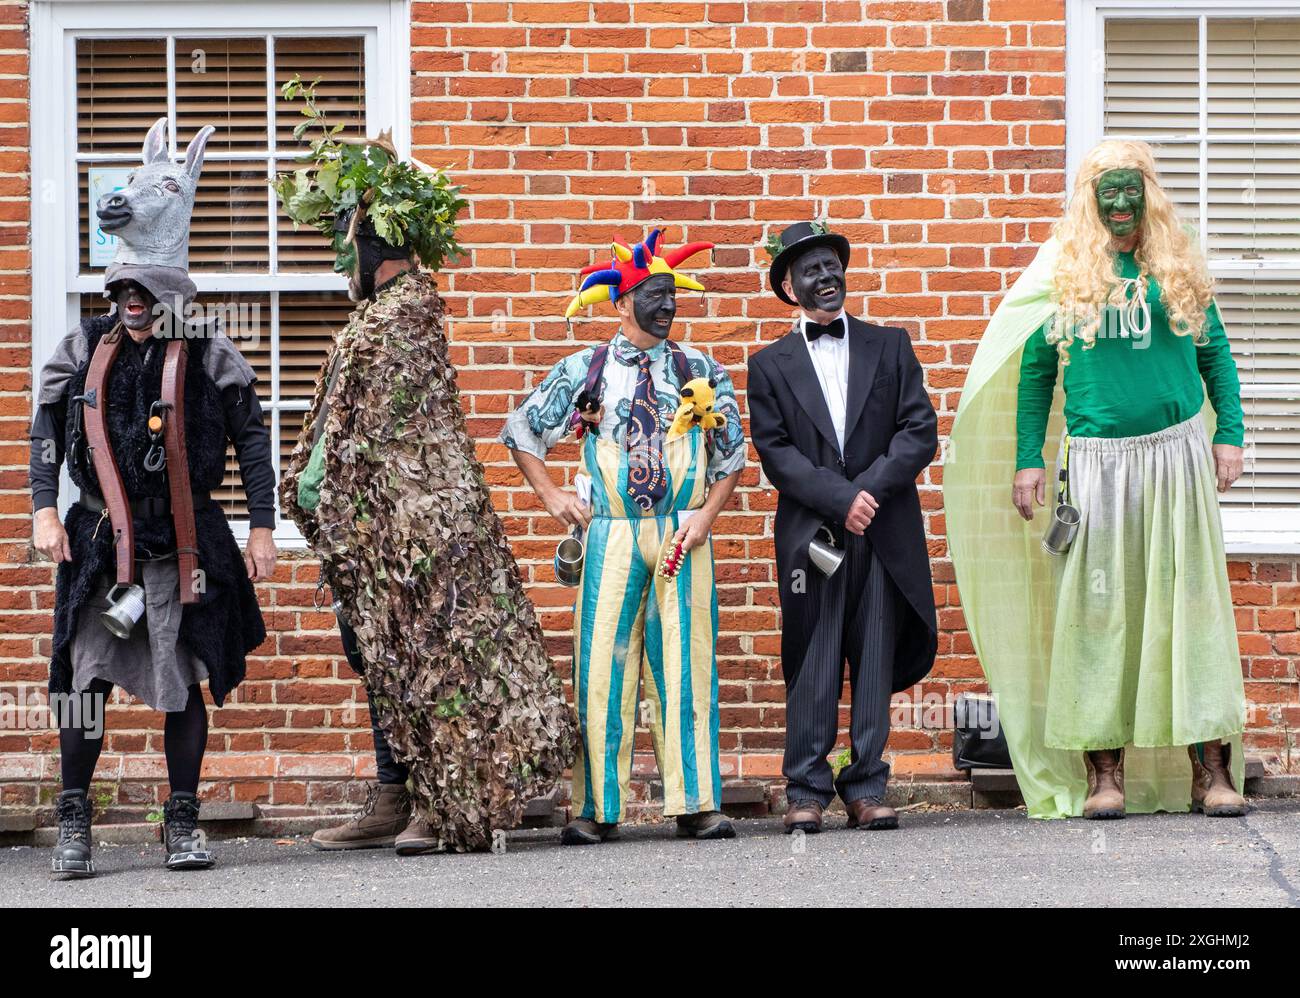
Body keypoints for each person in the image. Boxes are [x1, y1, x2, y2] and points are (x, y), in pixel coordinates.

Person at [276, 113, 576, 855]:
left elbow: (390, 431)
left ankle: (443, 802)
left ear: (373, 235)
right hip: (373, 535)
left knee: (428, 656)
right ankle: (395, 789)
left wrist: (336, 490)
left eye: (347, 230)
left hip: (413, 535)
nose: (340, 248)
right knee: (377, 653)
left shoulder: (405, 313)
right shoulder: (377, 313)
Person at [946, 138, 1249, 820]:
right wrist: (1029, 458)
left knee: (1191, 611)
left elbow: (1215, 352)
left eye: (1129, 191)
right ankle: (1102, 775)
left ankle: (1212, 772)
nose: (1119, 205)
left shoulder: (1174, 262)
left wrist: (1228, 433)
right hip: (1095, 465)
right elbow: (1034, 374)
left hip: (1176, 456)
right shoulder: (1065, 268)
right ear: (1090, 198)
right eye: (1106, 192)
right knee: (1097, 617)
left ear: (1149, 195)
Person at [31, 118, 274, 877]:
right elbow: (44, 431)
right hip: (101, 547)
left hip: (183, 547)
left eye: (147, 291)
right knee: (83, 681)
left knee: (184, 683)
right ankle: (75, 819)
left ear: (168, 291)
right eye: (124, 289)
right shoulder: (82, 346)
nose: (133, 301)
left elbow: (254, 440)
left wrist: (262, 527)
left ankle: (182, 822)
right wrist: (44, 507)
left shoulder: (210, 348)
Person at [502, 227, 745, 844]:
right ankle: (594, 807)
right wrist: (554, 497)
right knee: (601, 670)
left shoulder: (702, 369)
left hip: (680, 535)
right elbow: (522, 431)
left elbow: (732, 457)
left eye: (671, 294)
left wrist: (705, 517)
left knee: (685, 666)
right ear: (620, 304)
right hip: (610, 536)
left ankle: (695, 801)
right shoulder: (582, 369)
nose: (666, 305)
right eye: (652, 295)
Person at [747, 221, 939, 834]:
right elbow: (777, 454)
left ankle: (866, 785)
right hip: (814, 536)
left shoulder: (891, 345)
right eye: (810, 270)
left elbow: (919, 431)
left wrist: (867, 494)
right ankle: (805, 787)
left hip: (882, 529)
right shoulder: (768, 365)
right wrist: (839, 499)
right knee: (813, 656)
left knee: (876, 654)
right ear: (787, 285)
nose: (825, 277)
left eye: (832, 265)